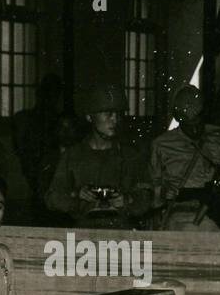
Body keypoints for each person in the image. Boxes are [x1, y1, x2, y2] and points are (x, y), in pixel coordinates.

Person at [43, 84, 150, 226]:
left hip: (120, 235)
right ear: (89, 117)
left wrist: (127, 200)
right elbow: (52, 198)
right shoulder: (72, 156)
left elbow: (146, 197)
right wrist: (76, 195)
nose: (115, 120)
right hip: (83, 237)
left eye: (118, 114)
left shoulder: (130, 156)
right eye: (108, 114)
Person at [149, 84, 220, 231]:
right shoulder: (161, 145)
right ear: (178, 119)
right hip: (182, 210)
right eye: (189, 124)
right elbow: (152, 189)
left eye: (198, 122)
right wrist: (163, 192)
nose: (195, 129)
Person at [12, 74, 64, 202]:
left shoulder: (57, 120)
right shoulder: (26, 119)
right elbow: (20, 148)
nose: (53, 99)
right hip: (35, 175)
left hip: (45, 175)